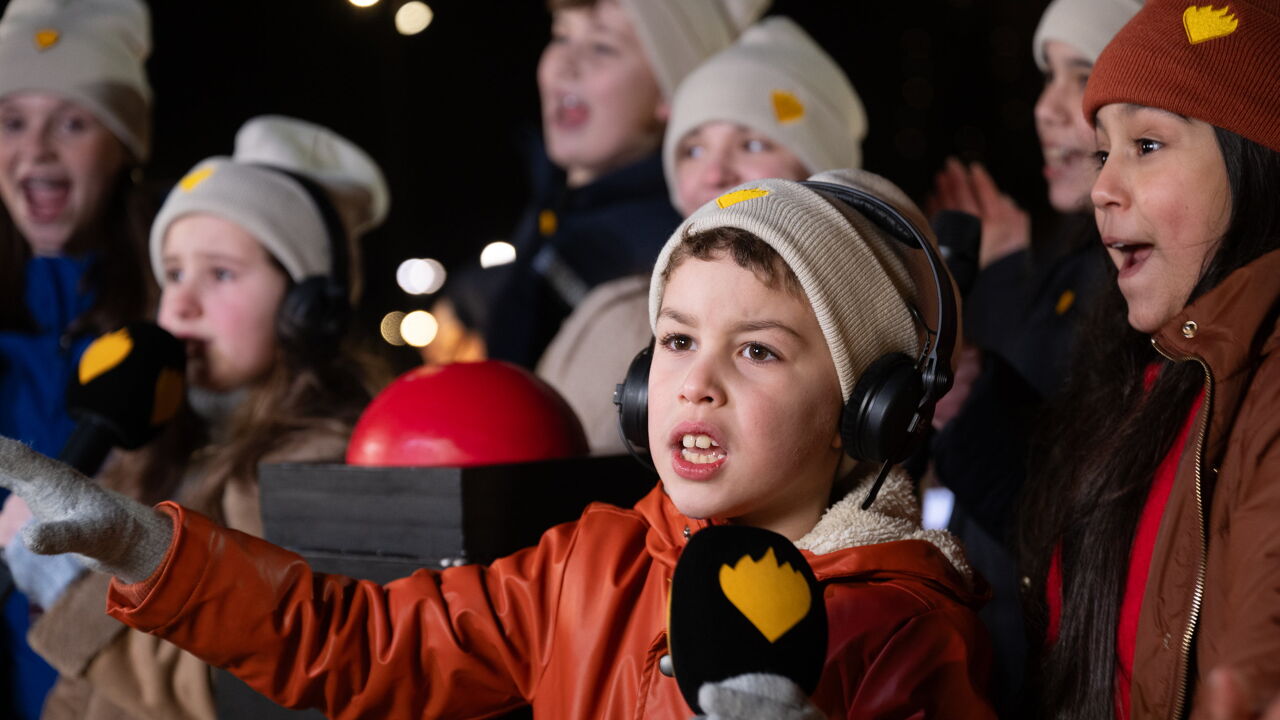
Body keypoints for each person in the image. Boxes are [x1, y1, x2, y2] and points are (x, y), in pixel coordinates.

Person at [0, 169, 995, 718]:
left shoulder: (902, 630)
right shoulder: (585, 564)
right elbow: (350, 644)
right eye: (679, 340)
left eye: (760, 351)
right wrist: (146, 550)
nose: (695, 379)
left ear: (867, 407)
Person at [0, 115, 390, 720]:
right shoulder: (153, 448)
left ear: (306, 308)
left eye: (221, 273)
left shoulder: (313, 470)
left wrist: (70, 591)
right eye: (174, 273)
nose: (180, 302)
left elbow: (228, 685)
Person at [1013, 0, 1280, 717]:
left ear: (1251, 156)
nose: (1102, 188)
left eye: (1148, 145)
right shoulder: (1152, 378)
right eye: (1103, 151)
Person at [537, 16, 867, 453]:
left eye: (752, 145)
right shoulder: (617, 317)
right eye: (692, 150)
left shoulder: (867, 330)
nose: (714, 173)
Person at [447, 0, 768, 369]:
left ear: (668, 93)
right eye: (562, 35)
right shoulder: (564, 198)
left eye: (602, 46)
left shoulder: (670, 253)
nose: (565, 64)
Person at [0, 0, 157, 716]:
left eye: (72, 122)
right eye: (13, 122)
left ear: (124, 145)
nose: (36, 149)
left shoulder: (167, 326)